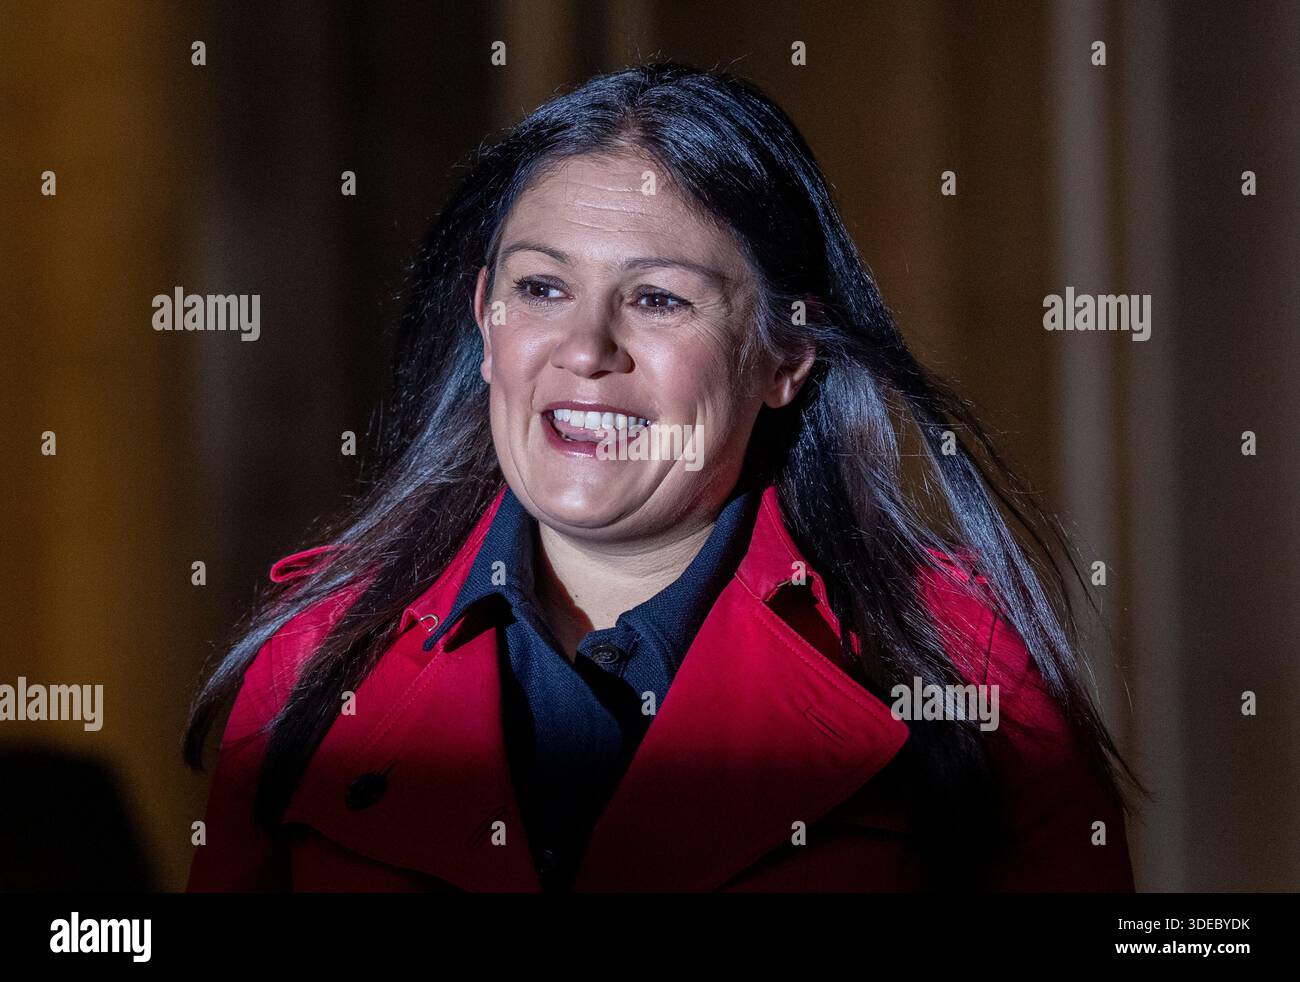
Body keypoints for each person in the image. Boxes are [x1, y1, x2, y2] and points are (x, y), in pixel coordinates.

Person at [183, 62, 1138, 892]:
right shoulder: (314, 665)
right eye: (542, 288)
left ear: (783, 357)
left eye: (657, 299)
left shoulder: (960, 675)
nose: (586, 348)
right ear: (486, 318)